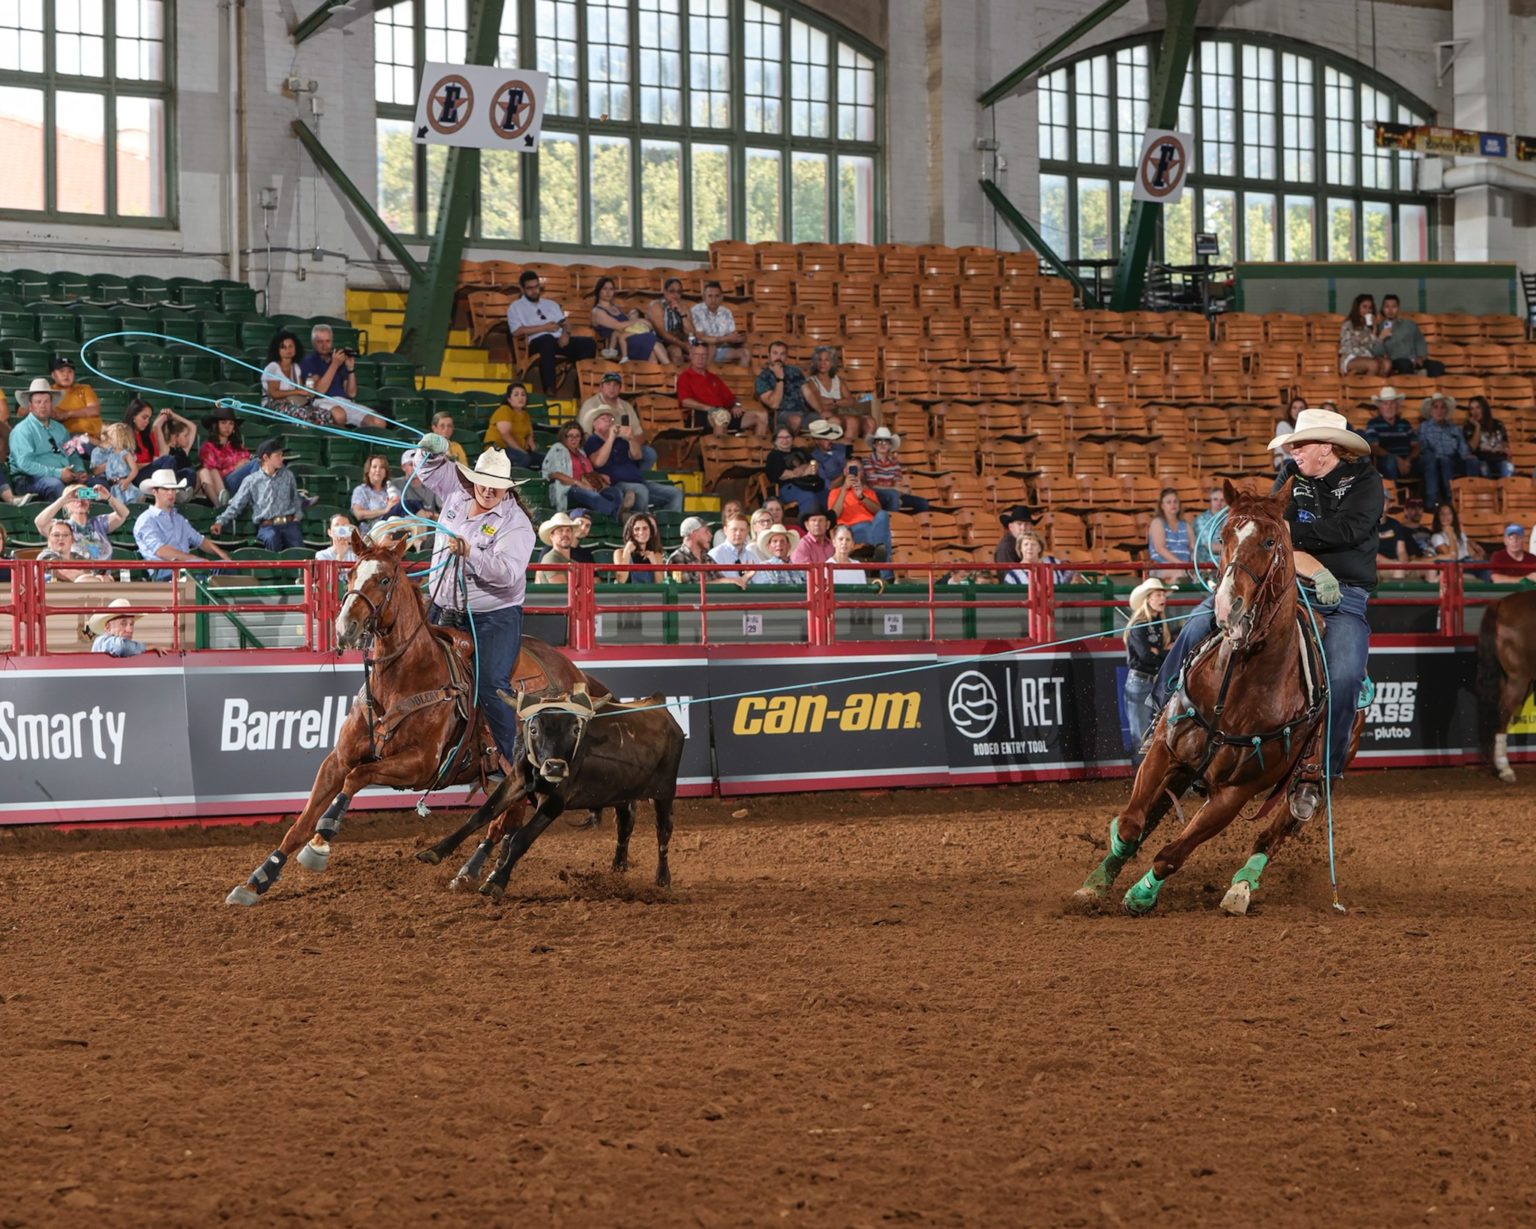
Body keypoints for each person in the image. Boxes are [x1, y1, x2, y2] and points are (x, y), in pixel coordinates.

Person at [1150, 409, 1384, 820]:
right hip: (1284, 584)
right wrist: (1279, 536)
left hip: (1343, 595)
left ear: (1326, 447)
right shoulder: (1290, 480)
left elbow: (1349, 531)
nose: (1292, 451)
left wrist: (1287, 534)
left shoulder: (1364, 481)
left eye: (1300, 445)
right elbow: (1270, 528)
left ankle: (1319, 773)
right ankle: (1161, 711)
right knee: (1199, 622)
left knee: (1346, 674)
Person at [413, 433, 539, 771]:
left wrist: (470, 555)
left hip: (492, 615)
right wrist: (429, 452)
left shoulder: (517, 525)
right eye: (482, 481)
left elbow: (508, 574)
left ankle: (513, 763)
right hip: (442, 604)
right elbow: (426, 471)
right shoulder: (458, 491)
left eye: (495, 485)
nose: (486, 489)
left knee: (490, 684)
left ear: (507, 488)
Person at [506, 268, 597, 393]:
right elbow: (516, 331)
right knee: (546, 340)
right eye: (530, 288)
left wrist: (566, 334)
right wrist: (544, 328)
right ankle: (550, 388)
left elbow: (565, 323)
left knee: (589, 343)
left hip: (558, 339)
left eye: (536, 287)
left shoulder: (551, 304)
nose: (534, 291)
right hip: (536, 341)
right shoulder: (515, 307)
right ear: (522, 289)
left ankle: (580, 387)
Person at [133, 468, 232, 580]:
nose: (171, 493)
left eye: (173, 489)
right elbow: (161, 551)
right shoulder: (146, 519)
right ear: (154, 492)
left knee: (227, 569)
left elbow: (200, 540)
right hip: (164, 571)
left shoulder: (179, 519)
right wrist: (194, 560)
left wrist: (223, 556)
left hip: (185, 569)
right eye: (166, 489)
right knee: (198, 576)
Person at [211, 438, 307, 551]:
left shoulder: (288, 476)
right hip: (268, 526)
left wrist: (298, 516)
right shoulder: (251, 481)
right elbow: (236, 505)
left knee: (298, 547)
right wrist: (220, 522)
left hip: (289, 524)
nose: (282, 458)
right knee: (271, 537)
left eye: (282, 455)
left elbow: (295, 499)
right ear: (266, 458)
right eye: (278, 455)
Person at [584, 407, 684, 513]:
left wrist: (631, 438)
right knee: (640, 490)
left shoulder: (620, 441)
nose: (609, 421)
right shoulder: (592, 441)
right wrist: (611, 438)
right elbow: (598, 462)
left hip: (638, 482)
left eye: (611, 419)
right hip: (615, 486)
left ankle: (668, 527)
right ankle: (640, 523)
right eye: (604, 418)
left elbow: (637, 456)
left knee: (675, 493)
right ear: (594, 423)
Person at [11, 378, 91, 500]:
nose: (43, 406)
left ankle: (88, 516)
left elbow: (72, 453)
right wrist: (58, 473)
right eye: (38, 402)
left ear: (51, 404)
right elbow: (25, 464)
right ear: (30, 406)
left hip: (64, 477)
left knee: (97, 488)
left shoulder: (60, 429)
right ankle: (62, 518)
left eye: (46, 402)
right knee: (56, 486)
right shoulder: (22, 430)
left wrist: (79, 470)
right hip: (29, 480)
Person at [1122, 577, 1176, 756]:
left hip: (1156, 681)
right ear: (1148, 599)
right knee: (1142, 737)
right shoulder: (1138, 626)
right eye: (1158, 594)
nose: (1163, 598)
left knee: (1159, 733)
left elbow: (1155, 654)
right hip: (1141, 682)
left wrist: (1157, 652)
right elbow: (1145, 656)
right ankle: (1139, 778)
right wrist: (1163, 652)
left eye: (1163, 595)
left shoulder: (1160, 624)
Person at [677, 340, 764, 437]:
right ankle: (721, 450)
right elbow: (685, 401)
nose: (700, 358)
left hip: (722, 413)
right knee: (721, 415)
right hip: (700, 415)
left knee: (761, 416)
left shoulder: (714, 378)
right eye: (697, 355)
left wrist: (737, 405)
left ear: (707, 357)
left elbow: (732, 399)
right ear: (691, 356)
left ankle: (758, 449)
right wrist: (710, 409)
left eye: (704, 355)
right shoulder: (685, 377)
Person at [542, 419, 624, 520]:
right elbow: (553, 474)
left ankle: (612, 522)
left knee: (615, 492)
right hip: (569, 489)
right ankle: (619, 514)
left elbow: (587, 473)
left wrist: (599, 476)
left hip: (587, 487)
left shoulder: (581, 452)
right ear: (564, 437)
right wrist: (578, 483)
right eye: (570, 436)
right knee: (594, 497)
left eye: (577, 436)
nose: (574, 439)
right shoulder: (558, 448)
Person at [579, 372, 659, 472]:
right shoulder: (590, 404)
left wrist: (631, 443)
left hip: (623, 448)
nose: (612, 388)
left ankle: (635, 478)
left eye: (615, 385)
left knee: (649, 453)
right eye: (608, 384)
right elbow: (584, 435)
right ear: (601, 387)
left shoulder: (626, 406)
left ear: (620, 388)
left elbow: (639, 434)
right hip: (599, 447)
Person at [827, 460, 894, 574]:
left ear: (862, 473)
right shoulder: (835, 492)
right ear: (845, 472)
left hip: (873, 528)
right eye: (850, 469)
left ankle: (878, 550)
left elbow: (879, 512)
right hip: (850, 530)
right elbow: (834, 515)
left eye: (857, 469)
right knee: (881, 541)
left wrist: (862, 496)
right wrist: (844, 489)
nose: (854, 472)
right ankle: (886, 573)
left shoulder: (868, 492)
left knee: (883, 515)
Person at [1418, 393, 1481, 511]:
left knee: (1473, 461)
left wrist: (1467, 455)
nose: (1439, 411)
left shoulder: (1454, 428)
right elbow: (1423, 449)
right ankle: (1449, 498)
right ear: (1431, 411)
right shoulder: (1424, 427)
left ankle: (1472, 498)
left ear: (1446, 410)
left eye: (1442, 407)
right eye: (1436, 407)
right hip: (1434, 462)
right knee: (1444, 461)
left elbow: (1463, 449)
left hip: (1453, 460)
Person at [33, 483, 127, 562]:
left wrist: (109, 497)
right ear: (66, 505)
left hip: (104, 578)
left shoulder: (98, 523)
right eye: (74, 498)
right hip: (75, 577)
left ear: (89, 502)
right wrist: (62, 500)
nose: (80, 501)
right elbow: (39, 522)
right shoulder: (62, 528)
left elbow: (124, 514)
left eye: (84, 496)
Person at [803, 346, 874, 441]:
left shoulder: (838, 380)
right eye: (820, 360)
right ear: (815, 363)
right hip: (822, 415)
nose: (823, 363)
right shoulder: (811, 382)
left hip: (840, 413)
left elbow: (850, 401)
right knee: (852, 421)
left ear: (832, 363)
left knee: (870, 422)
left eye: (827, 360)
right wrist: (840, 402)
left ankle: (865, 451)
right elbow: (819, 402)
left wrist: (833, 401)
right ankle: (846, 452)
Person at [262, 330, 331, 426]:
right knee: (303, 414)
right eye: (284, 347)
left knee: (325, 414)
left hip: (293, 403)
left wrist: (310, 384)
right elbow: (274, 393)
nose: (288, 350)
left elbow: (300, 389)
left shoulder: (296, 367)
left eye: (291, 346)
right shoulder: (273, 367)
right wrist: (298, 392)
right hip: (273, 406)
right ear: (277, 350)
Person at [590, 276, 667, 363]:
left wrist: (644, 321)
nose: (608, 292)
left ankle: (660, 373)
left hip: (630, 337)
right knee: (649, 339)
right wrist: (639, 320)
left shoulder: (616, 307)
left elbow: (629, 323)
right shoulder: (597, 311)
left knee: (651, 352)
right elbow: (618, 326)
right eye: (605, 289)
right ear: (598, 291)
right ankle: (669, 368)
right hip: (617, 343)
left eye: (611, 289)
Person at [864, 425, 929, 513]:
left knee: (923, 503)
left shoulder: (894, 462)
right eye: (879, 441)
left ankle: (908, 523)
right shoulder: (868, 460)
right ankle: (892, 523)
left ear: (890, 445)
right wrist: (896, 491)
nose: (882, 444)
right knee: (893, 495)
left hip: (893, 493)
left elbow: (897, 483)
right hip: (875, 494)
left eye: (886, 442)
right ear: (874, 445)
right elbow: (873, 485)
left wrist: (898, 494)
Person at [1377, 294, 1444, 378]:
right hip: (1395, 362)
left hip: (1414, 360)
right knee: (1405, 363)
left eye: (1394, 307)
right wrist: (1381, 338)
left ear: (1398, 308)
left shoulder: (1409, 324)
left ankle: (1428, 387)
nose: (1390, 310)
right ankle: (1411, 385)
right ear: (1383, 309)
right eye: (1387, 307)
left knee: (1438, 366)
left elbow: (1419, 341)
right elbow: (1377, 352)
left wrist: (1420, 356)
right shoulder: (1379, 327)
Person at [763, 427, 824, 516]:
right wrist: (805, 471)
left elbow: (814, 463)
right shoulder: (774, 455)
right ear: (775, 440)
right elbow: (782, 475)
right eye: (781, 437)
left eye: (788, 437)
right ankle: (806, 525)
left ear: (792, 439)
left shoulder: (800, 450)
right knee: (809, 497)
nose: (785, 440)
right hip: (787, 488)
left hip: (807, 483)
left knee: (826, 493)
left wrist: (803, 467)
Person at [197, 405, 251, 504]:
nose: (227, 427)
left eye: (231, 424)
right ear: (216, 425)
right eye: (223, 423)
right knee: (212, 471)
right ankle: (223, 500)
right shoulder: (208, 447)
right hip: (221, 482)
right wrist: (236, 467)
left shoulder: (238, 447)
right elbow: (211, 473)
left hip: (241, 481)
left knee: (257, 464)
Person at [688, 280, 750, 367]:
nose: (713, 300)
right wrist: (725, 339)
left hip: (722, 349)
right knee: (711, 347)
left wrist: (737, 339)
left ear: (722, 297)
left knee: (745, 353)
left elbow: (730, 335)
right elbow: (700, 337)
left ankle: (737, 380)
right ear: (704, 297)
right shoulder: (696, 311)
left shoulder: (726, 312)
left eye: (717, 296)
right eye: (710, 296)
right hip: (702, 349)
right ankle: (706, 378)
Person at [755, 340, 811, 434]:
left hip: (802, 412)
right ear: (769, 355)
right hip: (780, 415)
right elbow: (774, 404)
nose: (778, 357)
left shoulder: (795, 371)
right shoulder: (762, 378)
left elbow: (809, 393)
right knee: (795, 420)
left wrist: (821, 411)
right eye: (775, 353)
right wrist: (779, 378)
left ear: (786, 357)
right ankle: (790, 446)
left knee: (831, 420)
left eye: (782, 354)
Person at [1364, 387, 1418, 482]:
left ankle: (1433, 496)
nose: (1389, 407)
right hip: (1386, 461)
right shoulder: (1373, 424)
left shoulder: (1405, 423)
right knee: (1390, 462)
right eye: (1386, 404)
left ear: (1397, 406)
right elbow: (1373, 447)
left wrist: (1408, 461)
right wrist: (1397, 460)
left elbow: (1416, 445)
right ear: (1380, 407)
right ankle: (1393, 495)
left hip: (1407, 461)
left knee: (1429, 460)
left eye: (1392, 403)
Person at [483, 382, 543, 467]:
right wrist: (522, 451)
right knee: (524, 458)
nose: (520, 398)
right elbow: (505, 435)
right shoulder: (504, 410)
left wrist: (531, 443)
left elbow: (529, 434)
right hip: (499, 449)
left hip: (519, 450)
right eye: (516, 395)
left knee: (545, 460)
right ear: (509, 399)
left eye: (523, 395)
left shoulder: (525, 414)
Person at [88, 422, 143, 505]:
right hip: (106, 482)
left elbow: (134, 469)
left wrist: (127, 480)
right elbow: (95, 471)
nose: (107, 439)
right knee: (90, 490)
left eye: (109, 437)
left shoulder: (124, 453)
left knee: (126, 501)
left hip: (121, 483)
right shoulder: (100, 451)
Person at [49, 355, 103, 439]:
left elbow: (94, 410)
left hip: (96, 436)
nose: (66, 375)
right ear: (53, 375)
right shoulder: (49, 392)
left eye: (70, 371)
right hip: (70, 438)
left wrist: (68, 414)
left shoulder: (85, 388)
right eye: (61, 371)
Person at [1338, 293, 1390, 377]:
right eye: (1364, 307)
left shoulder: (1369, 327)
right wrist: (1367, 353)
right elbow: (1349, 347)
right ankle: (1365, 389)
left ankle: (1376, 388)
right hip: (1351, 357)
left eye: (1370, 308)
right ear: (1357, 308)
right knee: (1373, 364)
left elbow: (1374, 348)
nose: (1368, 311)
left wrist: (1375, 329)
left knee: (1387, 363)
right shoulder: (1349, 324)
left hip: (1368, 356)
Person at [1463, 396, 1515, 479]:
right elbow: (1472, 448)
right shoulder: (1469, 427)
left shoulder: (1498, 424)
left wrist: (1505, 449)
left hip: (1499, 459)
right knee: (1484, 469)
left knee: (1508, 467)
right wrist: (1477, 427)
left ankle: (1507, 490)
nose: (1475, 412)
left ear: (1484, 408)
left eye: (1478, 408)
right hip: (1482, 460)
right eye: (1472, 409)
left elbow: (1505, 444)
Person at [1146, 488, 1193, 578]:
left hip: (1185, 567)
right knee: (1180, 574)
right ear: (1162, 506)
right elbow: (1160, 548)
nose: (1173, 504)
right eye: (1169, 502)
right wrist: (1181, 565)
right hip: (1162, 567)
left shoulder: (1186, 525)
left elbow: (1193, 547)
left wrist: (1194, 565)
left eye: (1175, 501)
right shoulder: (1157, 522)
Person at [37, 519, 102, 583]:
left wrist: (101, 577)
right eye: (56, 535)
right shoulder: (45, 555)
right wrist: (91, 577)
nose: (61, 538)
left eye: (65, 535)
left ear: (72, 539)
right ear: (49, 540)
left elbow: (92, 571)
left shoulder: (78, 557)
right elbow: (62, 572)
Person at [646, 277, 693, 362]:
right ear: (665, 291)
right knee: (676, 351)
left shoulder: (684, 306)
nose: (675, 295)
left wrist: (682, 314)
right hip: (660, 342)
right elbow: (662, 333)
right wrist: (683, 345)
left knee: (701, 352)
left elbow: (691, 332)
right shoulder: (656, 305)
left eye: (679, 292)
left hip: (681, 340)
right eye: (672, 291)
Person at [1002, 530, 1074, 586]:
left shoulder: (1052, 561)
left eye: (1033, 544)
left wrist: (1075, 578)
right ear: (1020, 548)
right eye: (1026, 544)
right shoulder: (1013, 574)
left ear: (1040, 548)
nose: (1030, 547)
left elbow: (1072, 574)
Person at [611, 512, 665, 583]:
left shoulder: (656, 555)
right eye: (637, 529)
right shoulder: (619, 553)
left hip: (650, 594)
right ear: (630, 532)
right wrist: (627, 552)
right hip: (627, 594)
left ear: (650, 532)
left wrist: (654, 563)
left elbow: (660, 584)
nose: (641, 532)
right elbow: (621, 580)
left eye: (645, 528)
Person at [1429, 502, 1485, 568]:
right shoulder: (1437, 537)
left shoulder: (1460, 534)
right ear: (1438, 517)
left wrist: (1477, 556)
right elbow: (1453, 558)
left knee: (1486, 564)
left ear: (1453, 516)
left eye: (1449, 513)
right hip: (1458, 566)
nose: (1445, 516)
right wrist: (1450, 534)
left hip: (1469, 562)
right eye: (1442, 514)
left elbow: (1471, 553)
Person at [708, 514, 762, 583]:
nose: (738, 533)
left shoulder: (752, 556)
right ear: (725, 530)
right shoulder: (715, 555)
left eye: (742, 530)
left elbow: (759, 583)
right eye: (734, 529)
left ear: (747, 531)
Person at [390, 448, 441, 517]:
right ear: (403, 467)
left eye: (419, 464)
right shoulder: (395, 484)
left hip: (431, 524)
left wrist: (432, 515)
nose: (416, 468)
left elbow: (444, 509)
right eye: (411, 465)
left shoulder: (433, 484)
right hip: (405, 525)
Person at [665, 515, 714, 581]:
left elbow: (722, 581)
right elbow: (685, 589)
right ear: (694, 534)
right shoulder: (676, 559)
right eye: (706, 531)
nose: (710, 535)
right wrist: (721, 582)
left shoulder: (707, 558)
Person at [536, 512, 580, 582]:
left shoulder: (574, 563)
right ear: (551, 536)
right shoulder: (550, 558)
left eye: (568, 530)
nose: (565, 534)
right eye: (560, 530)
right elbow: (561, 590)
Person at [123, 398, 158, 485]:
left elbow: (156, 459)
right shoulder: (123, 434)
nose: (147, 422)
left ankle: (173, 491)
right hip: (135, 476)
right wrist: (149, 464)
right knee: (167, 460)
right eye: (144, 417)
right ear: (134, 416)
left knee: (189, 472)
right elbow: (127, 467)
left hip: (152, 472)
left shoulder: (149, 435)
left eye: (149, 418)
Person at [807, 418, 848, 487]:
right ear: (816, 441)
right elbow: (829, 486)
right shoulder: (814, 459)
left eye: (831, 437)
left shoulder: (841, 448)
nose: (830, 441)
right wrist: (845, 474)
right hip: (836, 492)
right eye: (826, 439)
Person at [1191, 485, 1227, 562]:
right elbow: (1211, 547)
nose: (1219, 503)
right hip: (1207, 564)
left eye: (1222, 500)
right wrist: (1235, 549)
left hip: (1226, 561)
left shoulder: (1228, 518)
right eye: (1215, 499)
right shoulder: (1201, 519)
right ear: (1210, 501)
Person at [1271, 394, 1307, 468]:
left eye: (1301, 408)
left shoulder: (1306, 428)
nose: (1298, 411)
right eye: (1294, 408)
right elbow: (1287, 448)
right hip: (1285, 461)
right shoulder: (1283, 425)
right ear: (1290, 411)